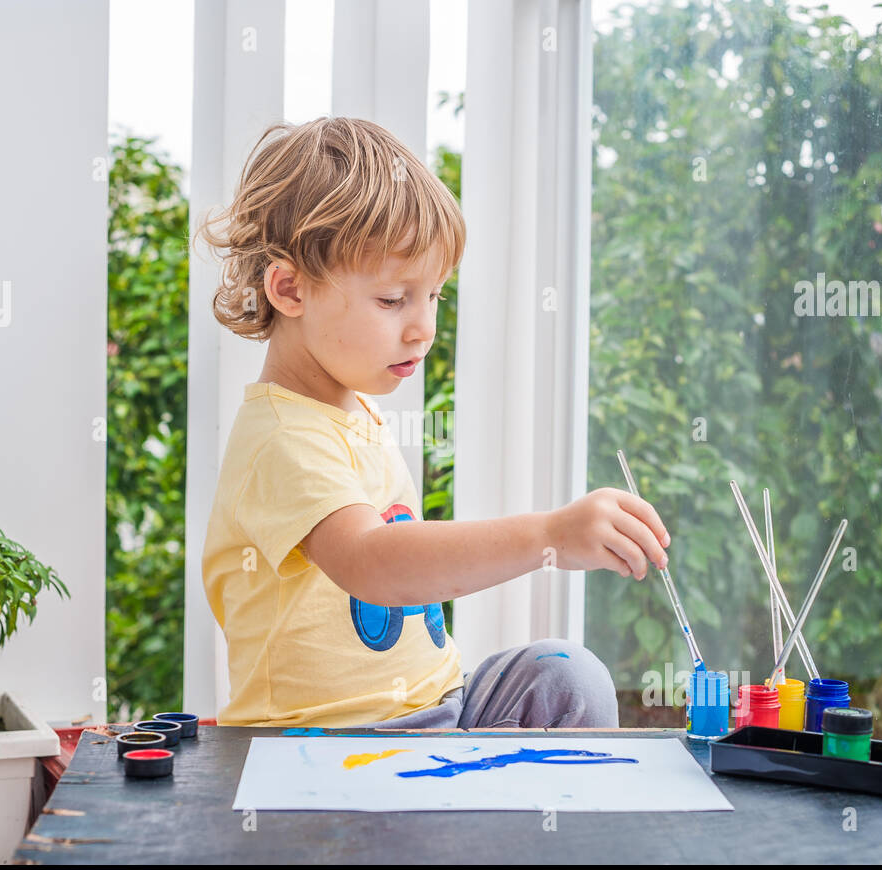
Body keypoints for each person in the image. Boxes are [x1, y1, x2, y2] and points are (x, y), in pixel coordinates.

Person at [196, 117, 670, 729]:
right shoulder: (283, 439)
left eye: (435, 296)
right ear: (289, 289)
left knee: (565, 675)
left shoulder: (350, 410)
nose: (423, 327)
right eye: (393, 300)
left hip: (437, 706)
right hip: (328, 739)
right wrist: (547, 534)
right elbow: (370, 560)